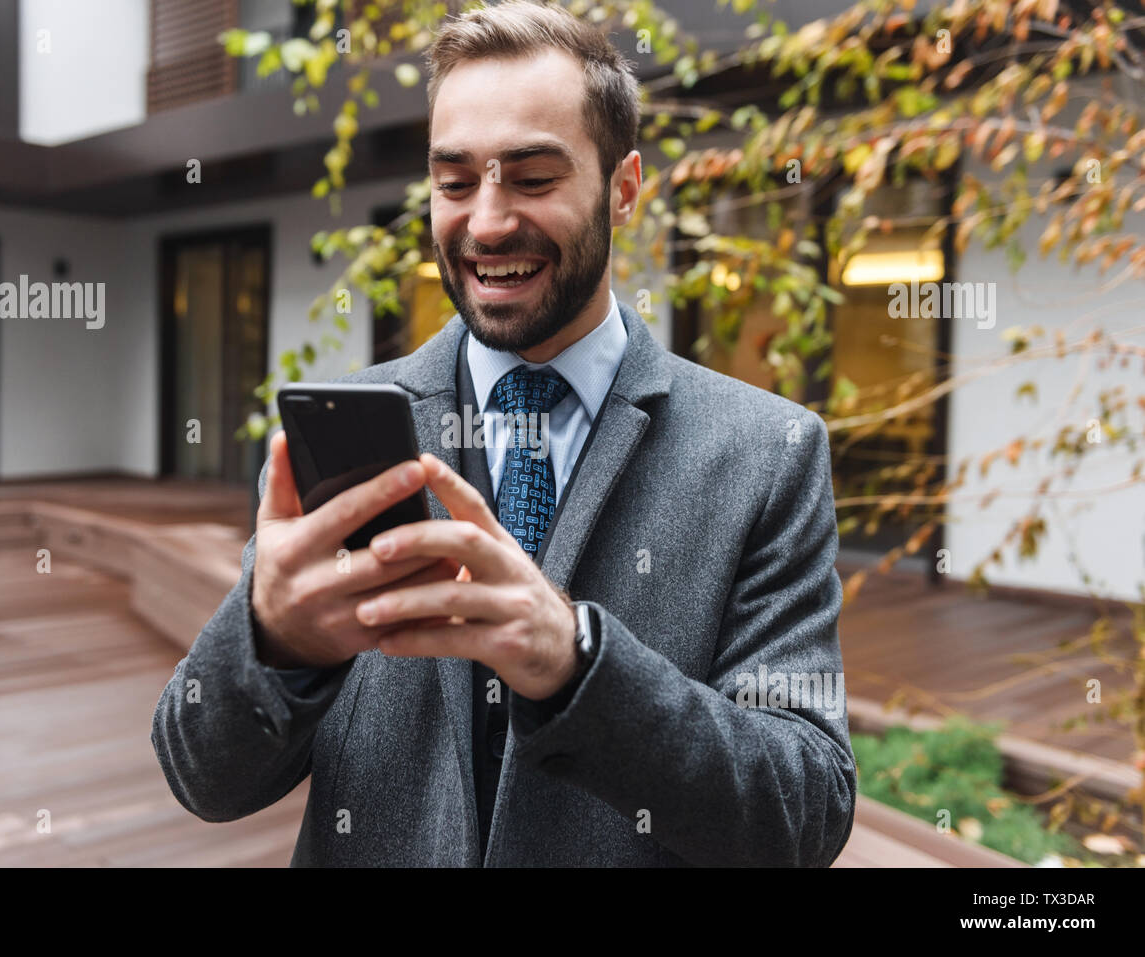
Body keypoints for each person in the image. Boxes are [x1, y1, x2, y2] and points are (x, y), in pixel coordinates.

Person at [152, 0, 856, 867]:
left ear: (624, 188)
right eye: (455, 182)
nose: (486, 223)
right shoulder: (343, 427)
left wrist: (577, 663)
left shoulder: (768, 452)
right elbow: (201, 776)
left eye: (532, 178)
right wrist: (277, 644)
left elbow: (806, 810)